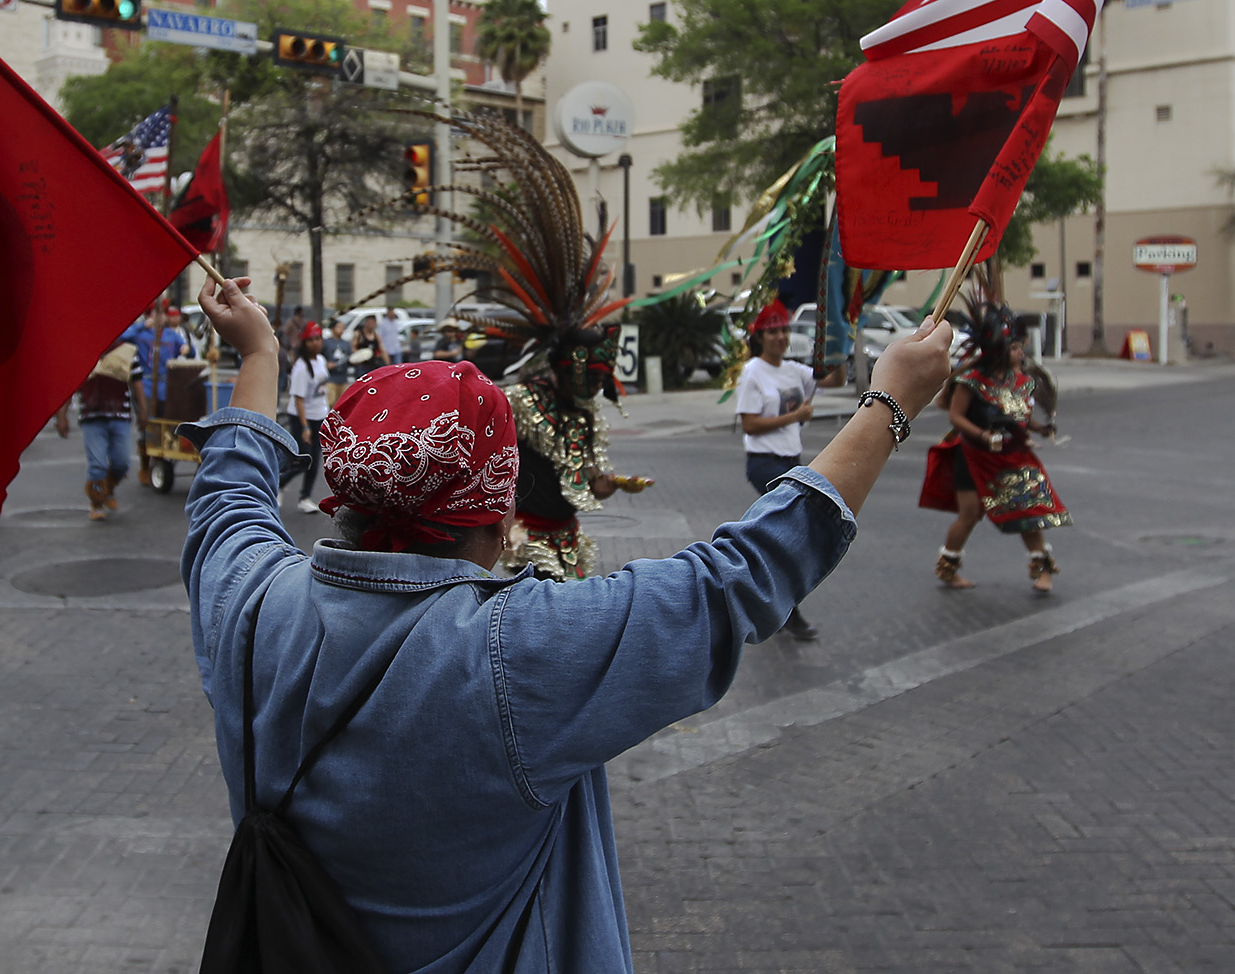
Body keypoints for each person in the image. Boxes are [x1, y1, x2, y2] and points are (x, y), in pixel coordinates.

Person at [183, 273, 951, 973]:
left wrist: (257, 351)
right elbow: (736, 579)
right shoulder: (516, 654)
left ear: (342, 495)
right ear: (496, 516)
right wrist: (889, 406)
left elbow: (229, 497)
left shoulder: (248, 607)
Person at [922, 303, 1068, 593]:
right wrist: (984, 436)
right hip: (973, 454)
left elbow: (1019, 420)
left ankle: (1043, 570)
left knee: (1029, 512)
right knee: (970, 513)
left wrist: (1041, 427)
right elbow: (956, 417)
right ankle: (948, 568)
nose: (1019, 352)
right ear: (998, 348)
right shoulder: (971, 380)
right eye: (1013, 347)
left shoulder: (1022, 381)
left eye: (1019, 346)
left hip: (1014, 456)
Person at [734, 299, 842, 642]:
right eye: (773, 331)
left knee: (783, 534)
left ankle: (763, 595)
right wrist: (794, 417)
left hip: (792, 462)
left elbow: (836, 380)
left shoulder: (794, 370)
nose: (780, 337)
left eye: (784, 330)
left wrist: (838, 339)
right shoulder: (753, 372)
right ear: (760, 338)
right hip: (765, 462)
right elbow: (750, 425)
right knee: (792, 532)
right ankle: (787, 613)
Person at [79, 337, 137, 520]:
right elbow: (71, 382)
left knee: (122, 462)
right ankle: (96, 502)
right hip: (91, 415)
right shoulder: (83, 350)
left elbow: (137, 381)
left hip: (120, 414)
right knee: (97, 465)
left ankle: (108, 488)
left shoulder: (126, 351)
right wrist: (62, 415)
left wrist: (143, 410)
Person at [275, 321, 330, 514]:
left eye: (318, 338)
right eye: (312, 340)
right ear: (305, 343)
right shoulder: (300, 367)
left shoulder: (321, 360)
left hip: (319, 416)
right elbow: (298, 399)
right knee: (303, 459)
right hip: (302, 417)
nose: (316, 343)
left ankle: (305, 497)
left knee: (315, 460)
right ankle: (278, 485)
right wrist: (305, 427)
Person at [128, 302, 191, 422]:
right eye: (157, 313)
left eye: (163, 313)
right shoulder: (140, 333)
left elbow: (187, 349)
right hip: (145, 385)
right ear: (148, 315)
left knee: (165, 424)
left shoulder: (171, 335)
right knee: (148, 424)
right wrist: (142, 326)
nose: (161, 316)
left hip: (166, 386)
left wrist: (187, 348)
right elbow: (121, 337)